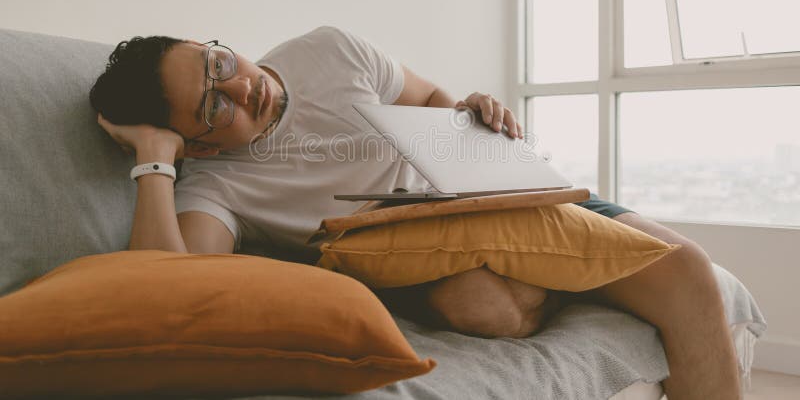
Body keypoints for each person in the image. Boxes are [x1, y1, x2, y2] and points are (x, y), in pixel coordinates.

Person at [90, 25, 741, 400]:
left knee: (690, 270)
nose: (240, 86)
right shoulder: (216, 186)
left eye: (218, 62)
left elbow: (426, 93)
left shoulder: (329, 49)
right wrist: (155, 158)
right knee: (488, 306)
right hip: (427, 254)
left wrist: (470, 115)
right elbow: (167, 284)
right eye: (211, 106)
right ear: (197, 142)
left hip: (498, 190)